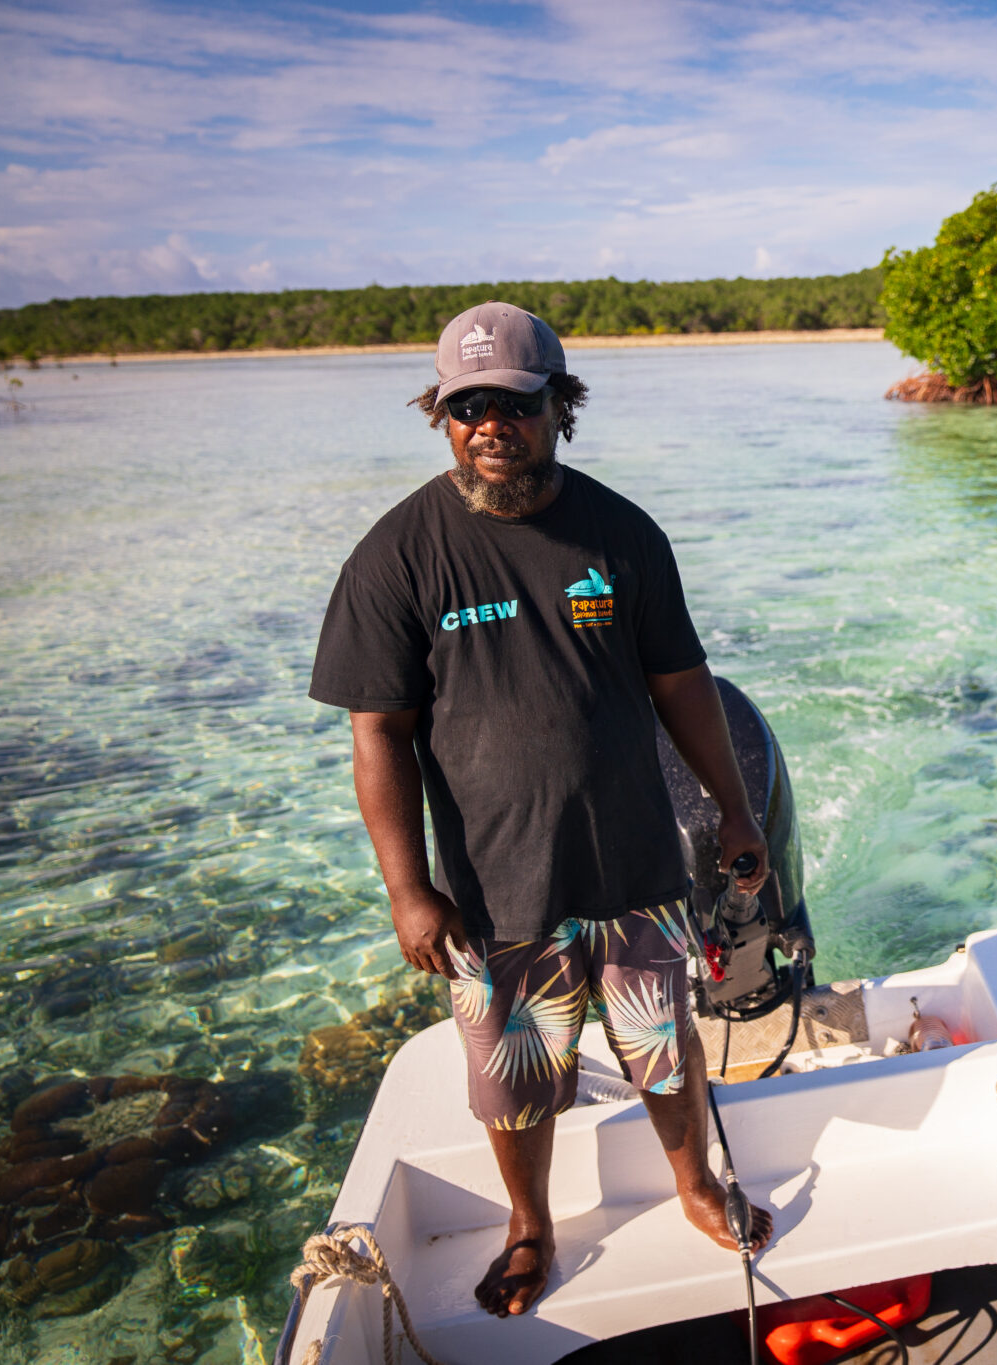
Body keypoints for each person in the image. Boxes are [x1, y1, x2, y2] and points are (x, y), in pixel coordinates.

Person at [308, 301, 773, 1319]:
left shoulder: (620, 531)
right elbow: (377, 734)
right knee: (514, 1080)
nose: (489, 424)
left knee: (663, 1046)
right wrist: (407, 890)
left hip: (637, 867)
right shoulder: (396, 556)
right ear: (441, 415)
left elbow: (683, 683)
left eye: (514, 403)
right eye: (465, 405)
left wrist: (735, 814)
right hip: (491, 891)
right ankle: (530, 1225)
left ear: (558, 407)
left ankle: (695, 1185)